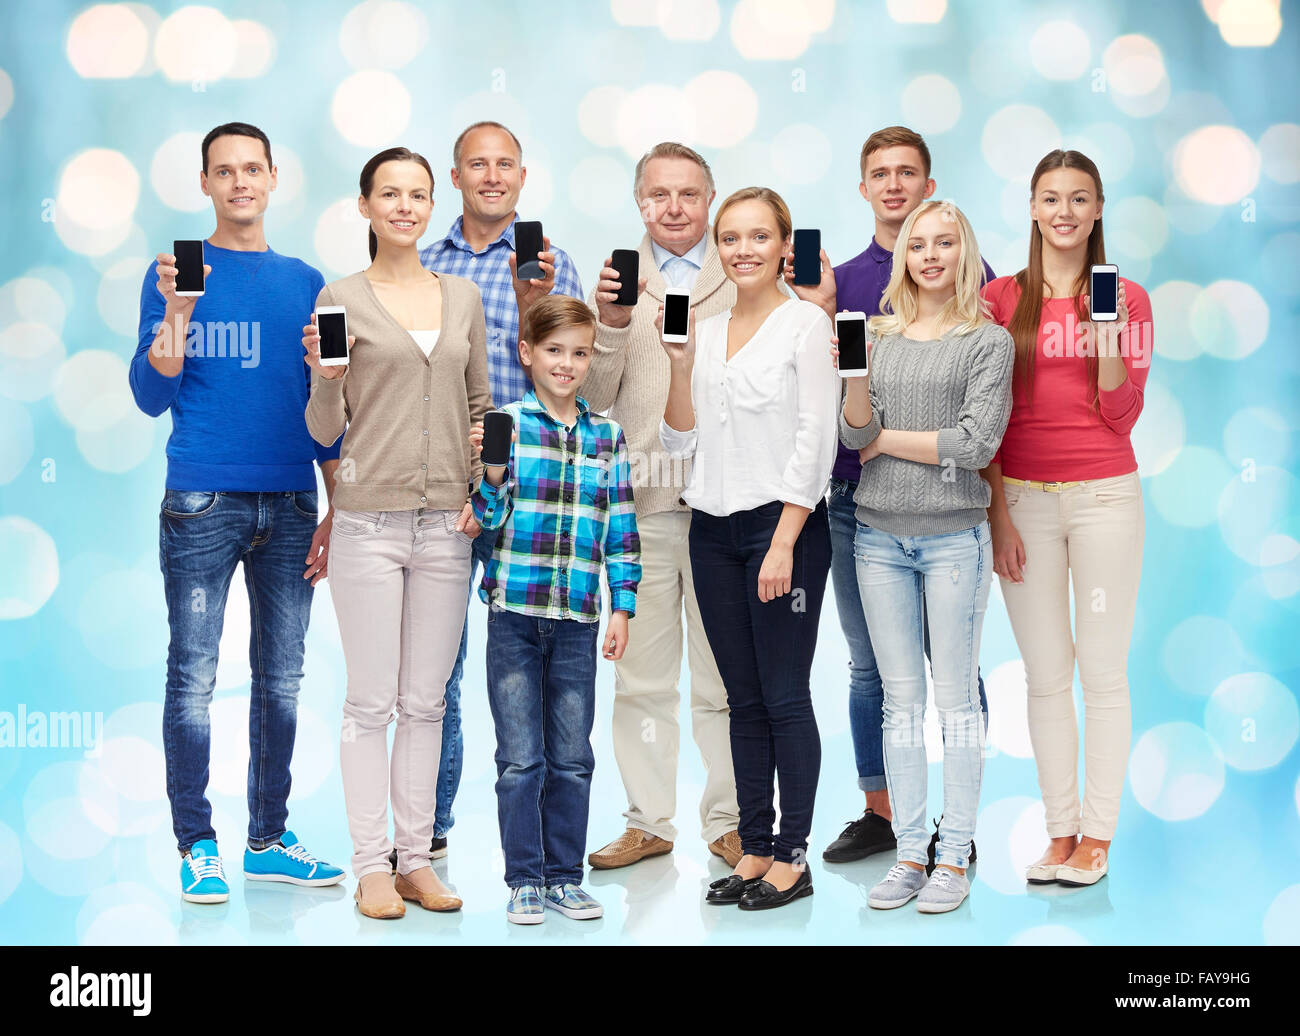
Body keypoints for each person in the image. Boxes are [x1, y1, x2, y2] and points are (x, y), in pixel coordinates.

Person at [129, 122, 345, 904]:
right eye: (225, 171)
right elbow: (151, 394)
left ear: (274, 177)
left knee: (281, 679)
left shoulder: (308, 282)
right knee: (192, 676)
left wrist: (336, 507)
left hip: (291, 501)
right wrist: (179, 310)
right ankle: (197, 844)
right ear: (206, 184)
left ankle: (268, 839)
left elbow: (329, 401)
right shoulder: (174, 277)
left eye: (252, 169)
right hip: (202, 502)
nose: (240, 182)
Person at [785, 125, 993, 865]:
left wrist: (987, 502)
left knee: (954, 672)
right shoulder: (838, 280)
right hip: (858, 504)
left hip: (946, 507)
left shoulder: (972, 276)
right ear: (863, 187)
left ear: (929, 187)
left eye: (909, 172)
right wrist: (815, 310)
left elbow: (985, 414)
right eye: (881, 173)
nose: (895, 185)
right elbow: (828, 398)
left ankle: (957, 826)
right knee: (874, 668)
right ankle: (887, 814)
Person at [304, 147, 492, 919]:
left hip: (448, 524)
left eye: (418, 194)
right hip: (367, 524)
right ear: (366, 206)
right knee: (370, 703)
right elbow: (324, 429)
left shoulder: (465, 297)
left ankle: (417, 860)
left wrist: (485, 487)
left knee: (428, 702)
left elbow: (480, 410)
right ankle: (371, 866)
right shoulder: (339, 297)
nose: (407, 206)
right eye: (391, 194)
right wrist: (327, 379)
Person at [661, 187, 839, 911]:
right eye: (730, 237)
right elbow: (679, 438)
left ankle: (794, 857)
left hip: (783, 528)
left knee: (785, 696)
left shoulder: (805, 325)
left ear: (783, 245)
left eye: (759, 237)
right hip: (711, 528)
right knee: (741, 700)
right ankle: (756, 849)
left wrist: (784, 543)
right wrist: (677, 363)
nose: (742, 250)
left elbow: (816, 438)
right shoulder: (702, 326)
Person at [980, 150, 1153, 889]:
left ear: (1099, 209)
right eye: (1051, 198)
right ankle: (1059, 833)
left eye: (1079, 199)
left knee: (1102, 671)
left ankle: (1098, 836)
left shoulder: (1130, 299)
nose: (1064, 212)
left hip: (1105, 497)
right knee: (1045, 677)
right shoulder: (997, 300)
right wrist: (998, 518)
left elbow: (1121, 413)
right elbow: (984, 419)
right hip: (1021, 501)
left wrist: (1105, 338)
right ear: (1031, 207)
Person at [415, 121, 585, 859]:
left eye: (505, 164)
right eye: (476, 164)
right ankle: (432, 832)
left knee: (546, 665)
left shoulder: (553, 265)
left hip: (540, 496)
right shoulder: (423, 267)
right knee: (438, 666)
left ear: (523, 175)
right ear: (455, 177)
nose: (491, 175)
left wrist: (528, 299)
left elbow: (570, 370)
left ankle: (548, 850)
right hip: (450, 487)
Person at [839, 200, 1014, 914]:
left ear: (963, 254)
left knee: (954, 702)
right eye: (919, 245)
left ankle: (954, 856)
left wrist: (887, 438)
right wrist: (857, 388)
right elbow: (855, 439)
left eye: (945, 243)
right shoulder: (877, 336)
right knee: (899, 702)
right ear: (904, 256)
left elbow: (976, 446)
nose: (931, 256)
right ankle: (910, 852)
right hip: (877, 538)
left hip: (952, 540)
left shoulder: (987, 341)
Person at [581, 142, 741, 871]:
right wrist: (611, 325)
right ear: (639, 203)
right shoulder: (619, 284)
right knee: (641, 680)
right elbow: (591, 398)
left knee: (723, 680)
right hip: (642, 508)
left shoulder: (739, 271)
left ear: (709, 200)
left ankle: (730, 821)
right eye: (658, 196)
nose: (673, 208)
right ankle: (649, 820)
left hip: (726, 509)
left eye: (688, 194)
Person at [470, 295, 641, 924]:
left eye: (579, 352)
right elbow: (484, 524)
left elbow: (620, 529)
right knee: (520, 758)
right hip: (513, 614)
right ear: (527, 353)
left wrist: (621, 607)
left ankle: (566, 876)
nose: (566, 364)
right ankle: (525, 880)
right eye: (553, 351)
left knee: (572, 755)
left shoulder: (609, 438)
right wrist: (490, 480)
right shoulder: (506, 426)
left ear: (591, 359)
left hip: (578, 619)